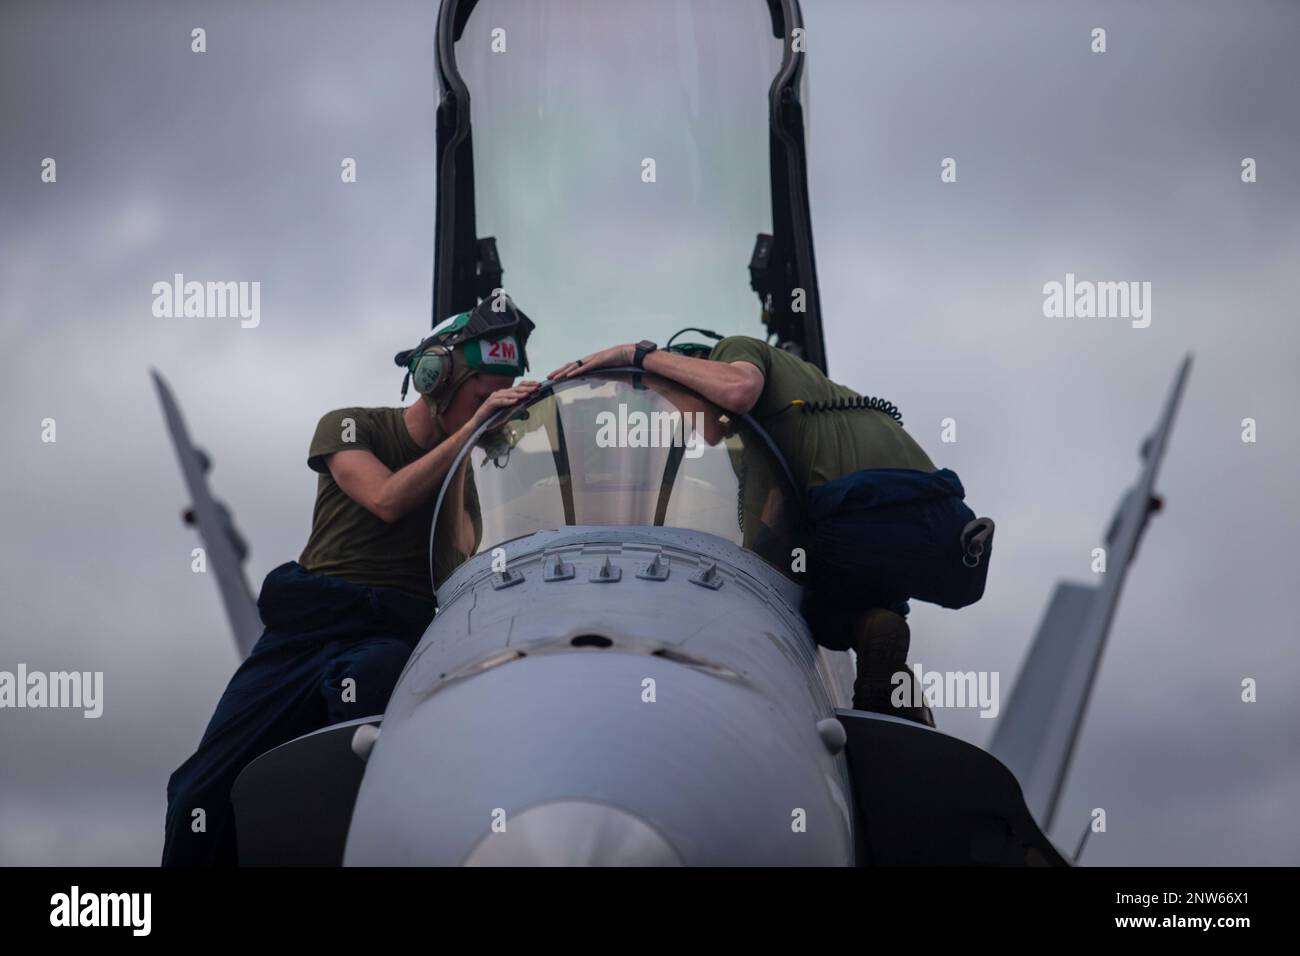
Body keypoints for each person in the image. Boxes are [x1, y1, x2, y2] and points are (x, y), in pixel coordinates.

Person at [162, 298, 539, 866]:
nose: (492, 411)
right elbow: (386, 500)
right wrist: (467, 440)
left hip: (387, 635)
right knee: (198, 792)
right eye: (482, 396)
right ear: (434, 378)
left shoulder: (468, 474)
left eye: (499, 401)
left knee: (356, 771)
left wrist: (471, 455)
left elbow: (460, 565)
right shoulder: (349, 426)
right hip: (305, 629)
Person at [550, 336, 993, 723]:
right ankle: (900, 693)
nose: (678, 420)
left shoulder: (737, 353)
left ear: (693, 370)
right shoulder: (802, 402)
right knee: (870, 604)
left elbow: (739, 391)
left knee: (804, 606)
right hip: (946, 530)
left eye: (670, 402)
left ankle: (873, 665)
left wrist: (639, 355)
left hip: (856, 516)